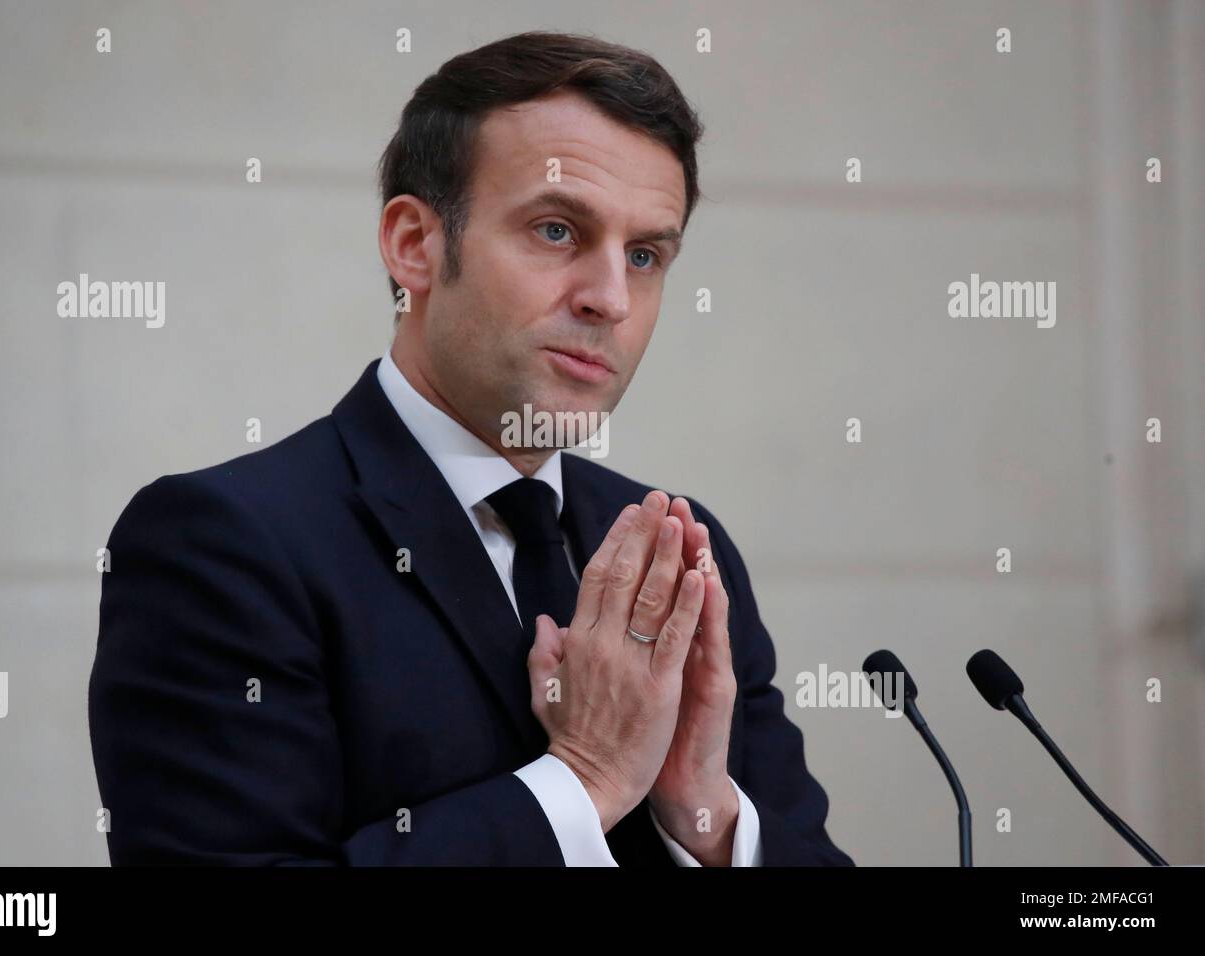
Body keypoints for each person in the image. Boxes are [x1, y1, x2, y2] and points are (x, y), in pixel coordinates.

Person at [88, 30, 852, 867]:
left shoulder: (679, 551)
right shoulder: (223, 543)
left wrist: (702, 815)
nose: (610, 299)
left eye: (644, 255)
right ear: (415, 244)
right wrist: (583, 784)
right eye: (557, 230)